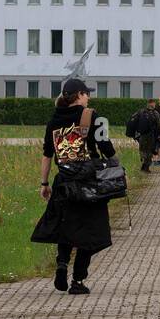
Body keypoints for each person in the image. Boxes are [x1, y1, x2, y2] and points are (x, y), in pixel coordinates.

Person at [32, 79, 115, 295]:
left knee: (66, 226)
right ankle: (77, 280)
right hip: (88, 183)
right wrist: (115, 167)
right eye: (86, 93)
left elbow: (47, 154)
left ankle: (61, 264)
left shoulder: (53, 121)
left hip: (64, 183)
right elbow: (106, 146)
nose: (89, 97)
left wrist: (44, 183)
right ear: (79, 94)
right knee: (90, 231)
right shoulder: (92, 116)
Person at [127, 99, 160, 173]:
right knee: (149, 150)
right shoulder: (155, 113)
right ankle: (146, 166)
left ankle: (143, 162)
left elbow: (132, 120)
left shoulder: (140, 112)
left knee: (142, 149)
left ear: (147, 104)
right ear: (153, 104)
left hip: (142, 135)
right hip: (151, 135)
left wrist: (134, 133)